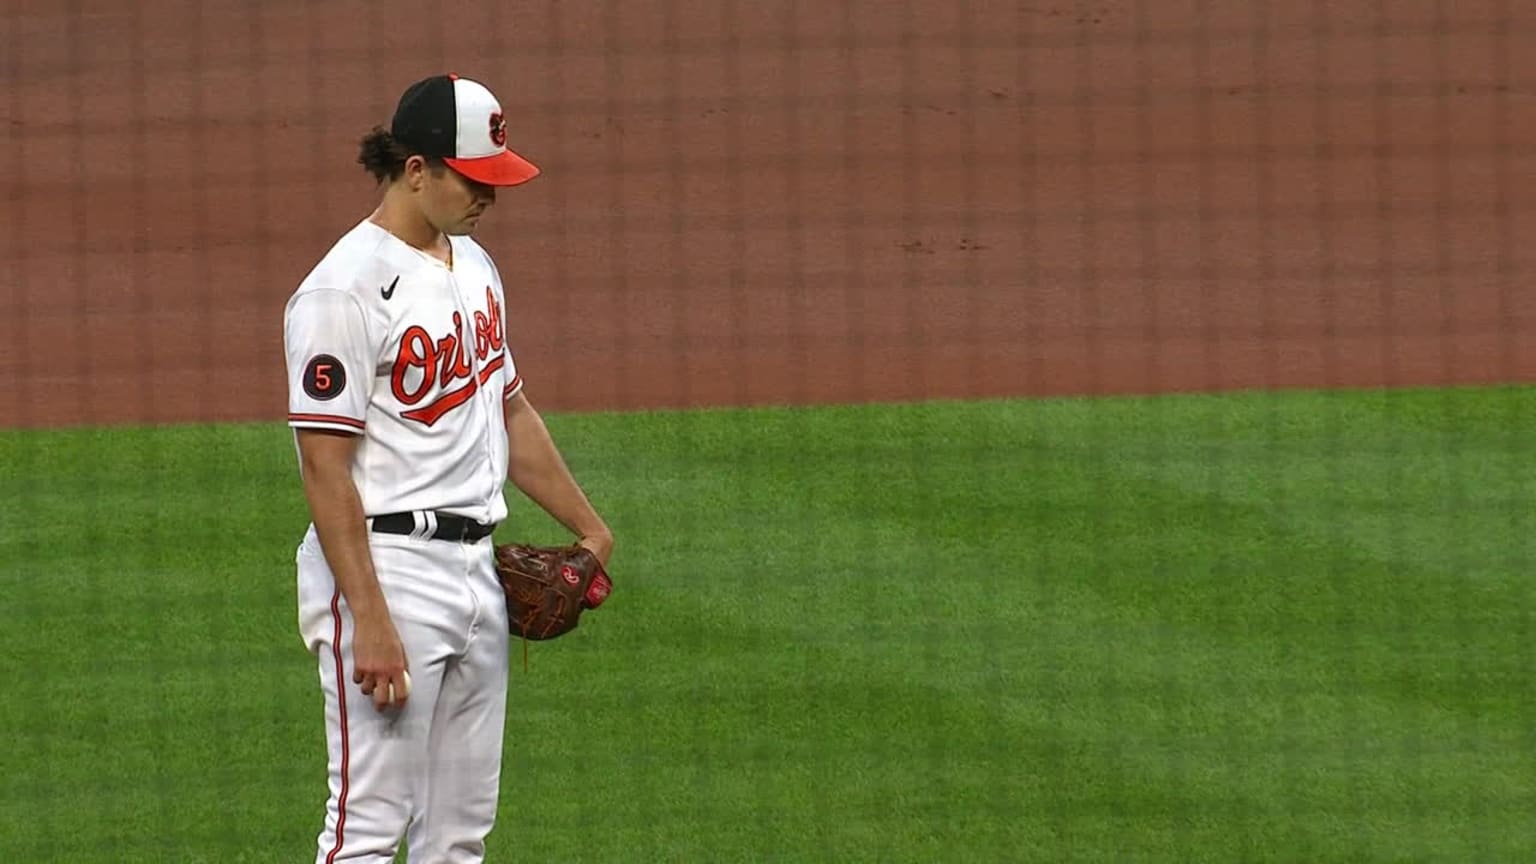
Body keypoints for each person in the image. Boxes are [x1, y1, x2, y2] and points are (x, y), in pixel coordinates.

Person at [281, 73, 614, 863]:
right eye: (473, 179)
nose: (487, 197)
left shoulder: (475, 266)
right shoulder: (343, 291)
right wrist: (370, 617)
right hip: (385, 569)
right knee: (365, 832)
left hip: (476, 574)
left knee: (460, 836)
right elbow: (324, 468)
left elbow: (510, 410)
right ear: (416, 169)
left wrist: (592, 529)